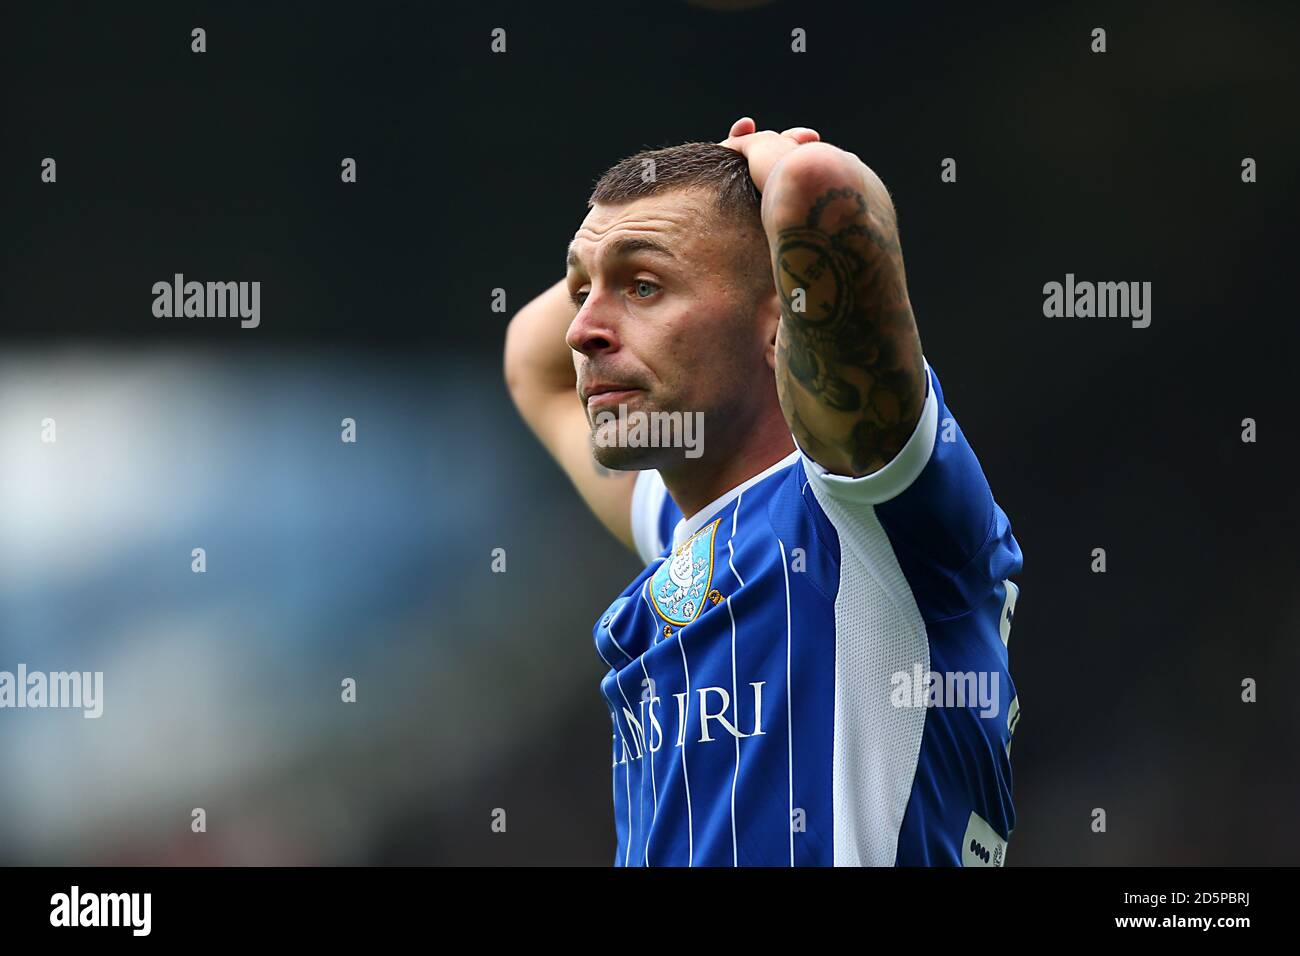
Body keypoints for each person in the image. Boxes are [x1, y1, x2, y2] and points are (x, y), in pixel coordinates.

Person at [504, 117, 1023, 866]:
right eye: (584, 292)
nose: (582, 330)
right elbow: (531, 360)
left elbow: (824, 194)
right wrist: (651, 223)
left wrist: (774, 162)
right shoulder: (693, 527)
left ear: (785, 327)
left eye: (644, 286)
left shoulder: (865, 514)